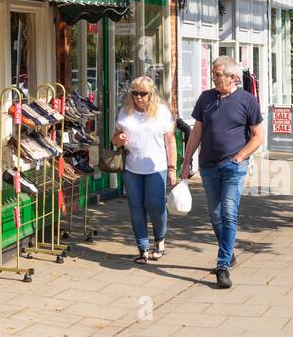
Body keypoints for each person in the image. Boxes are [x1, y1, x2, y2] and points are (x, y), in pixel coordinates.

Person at [180, 56, 264, 289]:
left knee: (228, 212)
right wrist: (186, 162)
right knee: (215, 214)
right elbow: (196, 132)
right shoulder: (206, 98)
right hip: (208, 165)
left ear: (232, 77)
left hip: (233, 167)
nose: (214, 78)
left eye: (217, 74)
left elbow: (258, 137)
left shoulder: (247, 101)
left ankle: (222, 265)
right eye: (214, 74)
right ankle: (227, 251)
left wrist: (239, 157)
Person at [110, 75, 177, 264]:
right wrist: (119, 139)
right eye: (135, 93)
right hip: (132, 168)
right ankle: (142, 248)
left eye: (143, 93)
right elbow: (113, 139)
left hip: (156, 168)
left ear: (151, 94)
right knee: (136, 208)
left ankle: (160, 239)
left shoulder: (161, 112)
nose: (139, 97)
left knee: (156, 206)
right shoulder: (125, 111)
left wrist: (172, 168)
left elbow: (170, 141)